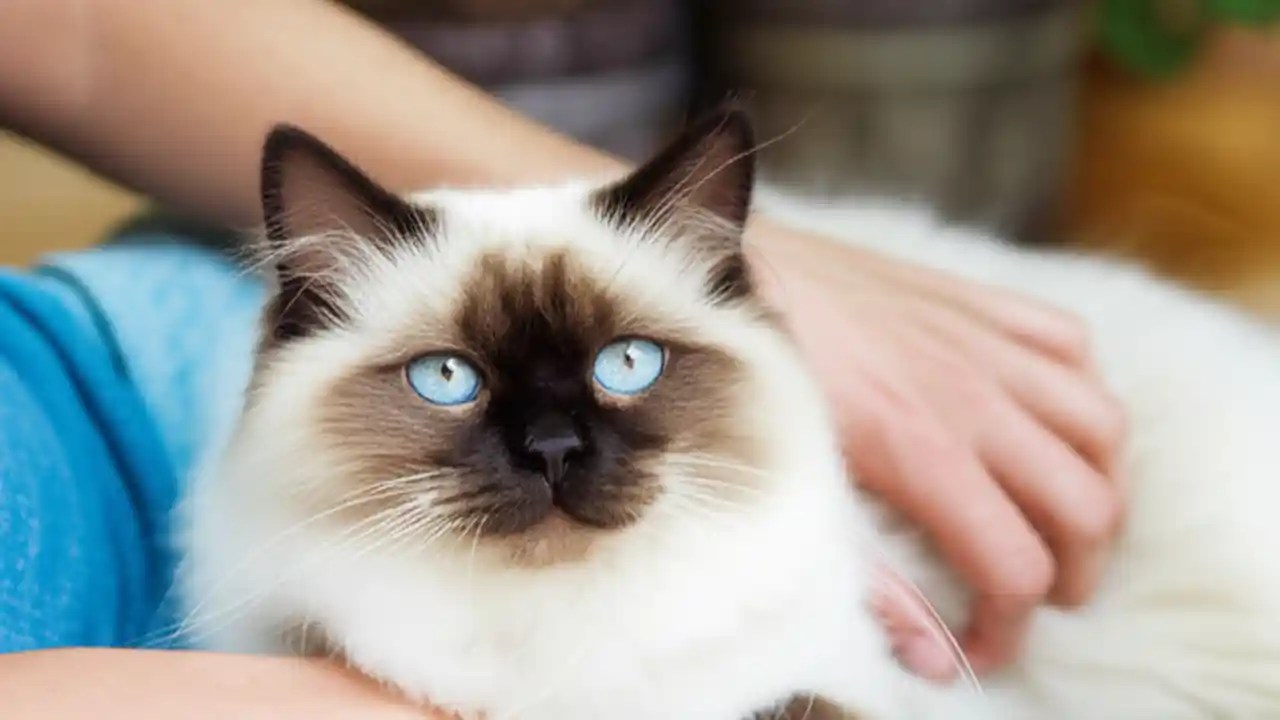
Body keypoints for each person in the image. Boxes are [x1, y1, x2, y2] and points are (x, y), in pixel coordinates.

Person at [0, 0, 1126, 717]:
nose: (550, 446)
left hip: (109, 363)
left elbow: (79, 28)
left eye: (619, 376)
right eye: (454, 384)